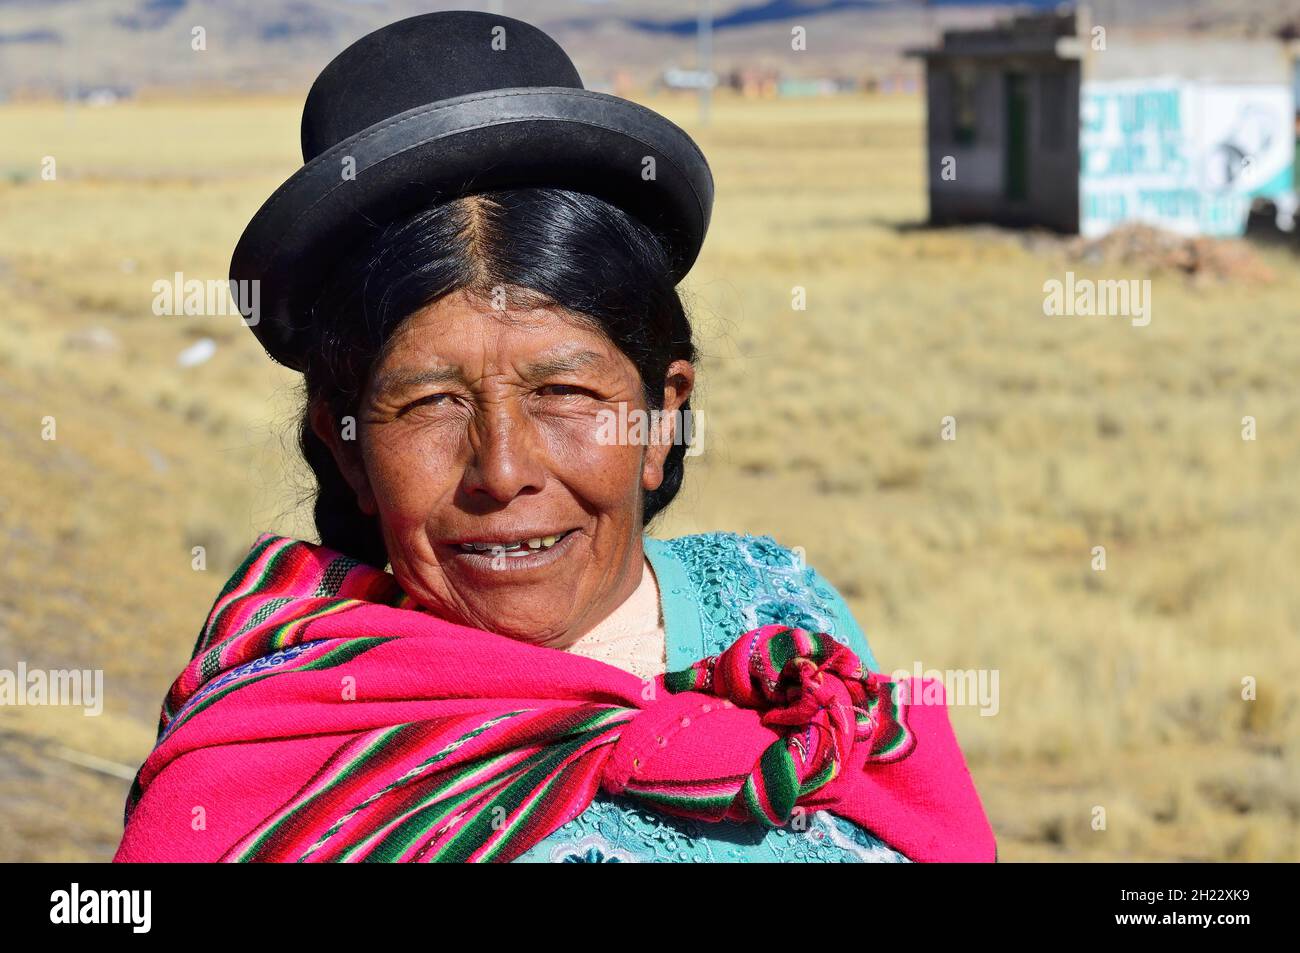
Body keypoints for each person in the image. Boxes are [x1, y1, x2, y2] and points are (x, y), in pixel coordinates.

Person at [113, 10, 996, 864]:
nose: (502, 471)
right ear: (348, 451)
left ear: (663, 413)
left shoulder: (778, 613)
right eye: (428, 405)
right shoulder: (276, 740)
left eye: (563, 392)